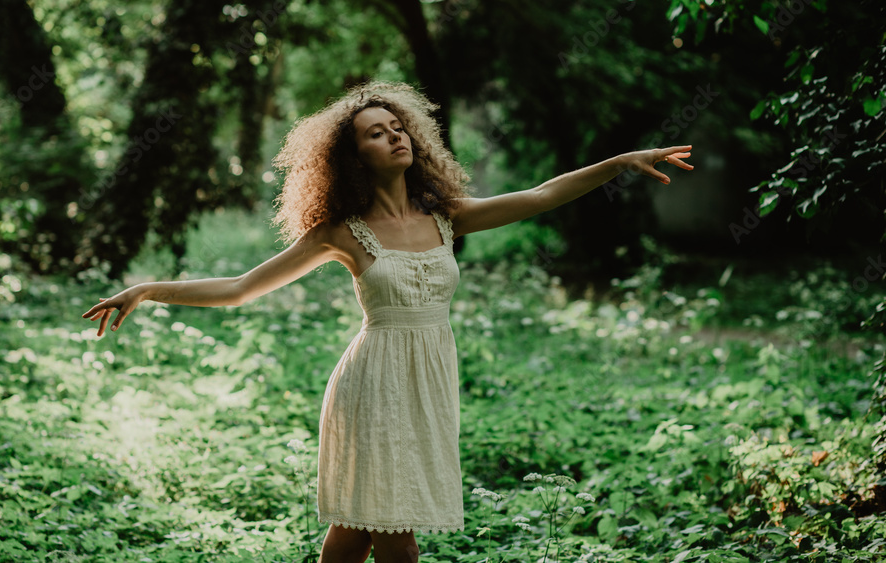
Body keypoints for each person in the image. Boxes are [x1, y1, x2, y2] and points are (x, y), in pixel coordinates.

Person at [81, 80, 693, 562]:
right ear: (353, 158)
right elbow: (241, 288)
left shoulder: (446, 214)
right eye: (376, 133)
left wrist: (620, 162)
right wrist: (148, 290)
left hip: (428, 385)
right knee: (396, 534)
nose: (395, 137)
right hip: (372, 384)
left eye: (399, 128)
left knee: (354, 533)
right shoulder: (341, 232)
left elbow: (539, 197)